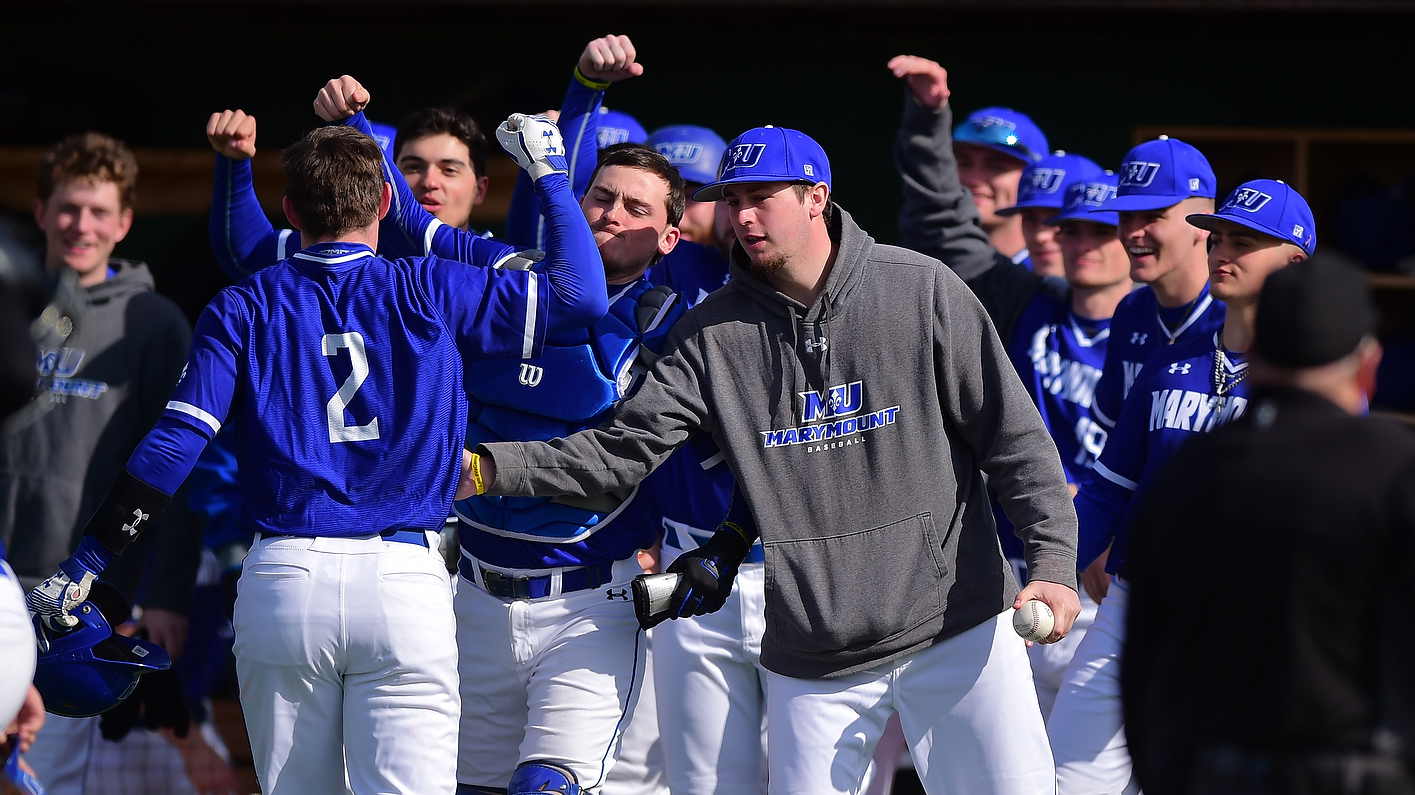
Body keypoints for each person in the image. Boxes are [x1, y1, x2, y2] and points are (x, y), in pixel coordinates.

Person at [469, 123, 1082, 795]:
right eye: (732, 200)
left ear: (817, 196)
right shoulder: (708, 334)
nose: (743, 215)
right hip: (814, 648)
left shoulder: (921, 289)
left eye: (762, 196)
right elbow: (619, 453)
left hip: (957, 624)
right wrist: (485, 468)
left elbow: (1015, 442)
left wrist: (1052, 563)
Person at [25, 111, 609, 795]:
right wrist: (548, 174)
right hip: (403, 577)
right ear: (387, 202)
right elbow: (582, 295)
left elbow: (176, 442)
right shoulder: (430, 282)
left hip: (286, 578)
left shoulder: (243, 301)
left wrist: (86, 562)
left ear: (288, 208)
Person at [1050, 179, 1316, 794]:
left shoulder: (1310, 377)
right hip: (1135, 605)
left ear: (1295, 262)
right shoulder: (1174, 360)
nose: (1223, 251)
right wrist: (1062, 564)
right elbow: (1109, 486)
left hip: (1246, 617)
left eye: (1246, 242)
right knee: (1068, 776)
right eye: (1218, 237)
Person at [1123, 255, 1415, 795]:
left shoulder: (1194, 468)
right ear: (1368, 367)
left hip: (1218, 772)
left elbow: (1145, 655)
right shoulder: (1395, 467)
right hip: (1364, 772)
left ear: (1252, 358)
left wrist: (1171, 774)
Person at [892, 54, 1128, 717]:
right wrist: (925, 119)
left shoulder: (1155, 329)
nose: (1066, 239)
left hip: (1113, 582)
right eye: (1055, 223)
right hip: (1021, 562)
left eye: (1091, 227)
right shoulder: (1023, 297)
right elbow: (938, 220)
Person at [3, 131, 202, 794]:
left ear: (123, 222)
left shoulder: (153, 321)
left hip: (77, 601)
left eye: (97, 211)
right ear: (40, 213)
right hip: (2, 573)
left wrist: (167, 593)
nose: (80, 225)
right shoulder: (11, 306)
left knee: (45, 775)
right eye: (66, 208)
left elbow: (177, 461)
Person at [207, 103, 496, 278]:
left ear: (480, 189)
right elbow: (247, 254)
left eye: (449, 170)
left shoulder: (491, 264)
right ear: (388, 184)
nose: (429, 181)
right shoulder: (353, 248)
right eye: (412, 167)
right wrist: (235, 163)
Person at [951, 102, 1048, 267]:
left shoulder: (1055, 277)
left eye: (996, 166)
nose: (973, 179)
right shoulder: (920, 258)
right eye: (964, 163)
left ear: (1034, 179)